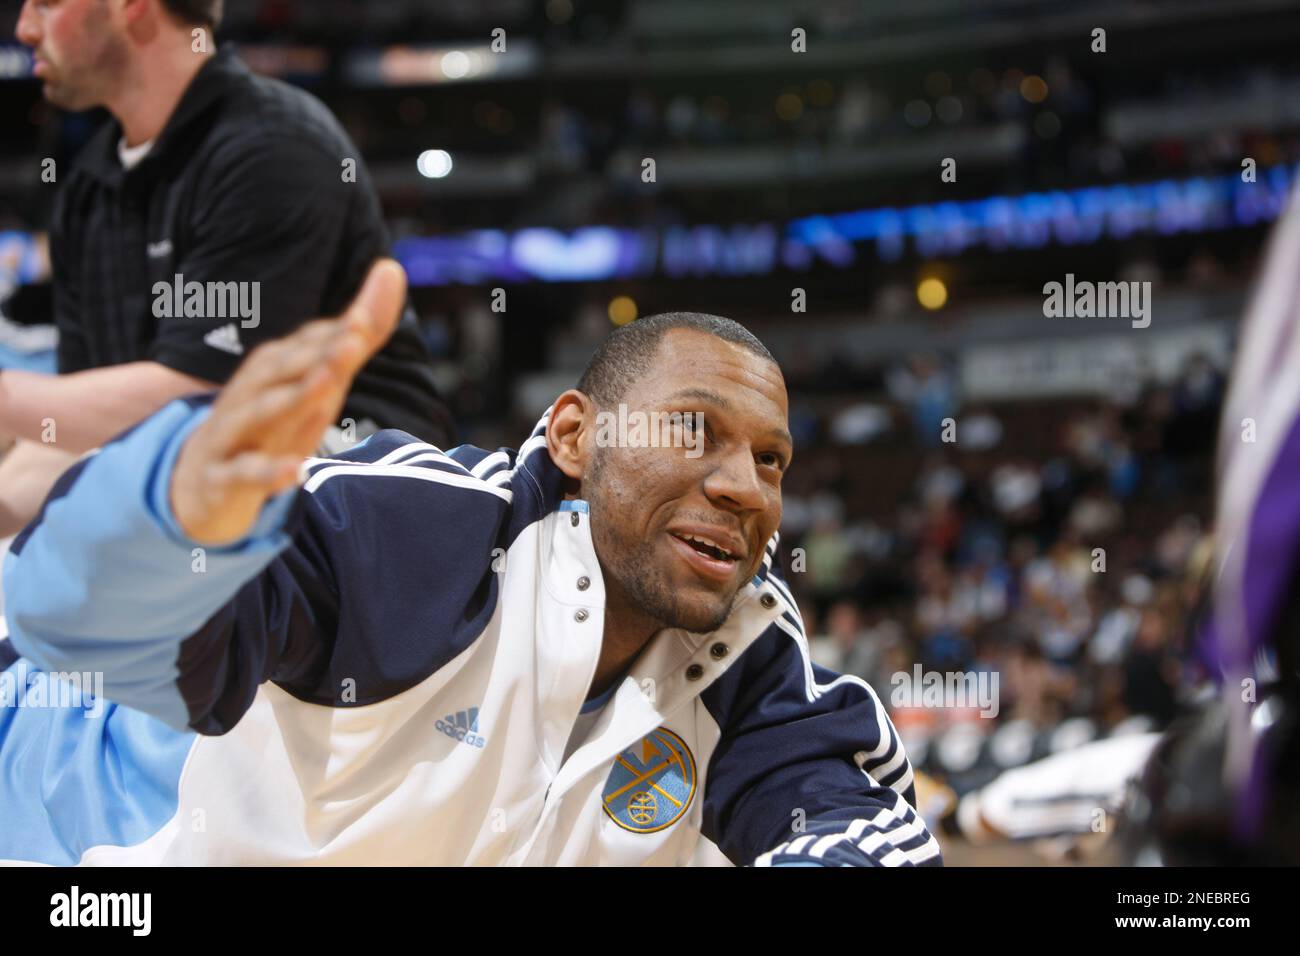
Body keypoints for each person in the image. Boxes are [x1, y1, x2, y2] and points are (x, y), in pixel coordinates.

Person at [0, 261, 940, 866]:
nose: (744, 486)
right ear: (575, 435)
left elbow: (854, 824)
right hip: (70, 794)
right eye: (693, 430)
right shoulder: (417, 529)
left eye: (770, 459)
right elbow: (167, 646)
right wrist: (171, 519)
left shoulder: (745, 653)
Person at [0, 0, 453, 539]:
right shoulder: (88, 189)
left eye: (47, 4)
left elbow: (204, 407)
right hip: (203, 500)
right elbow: (85, 432)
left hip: (366, 487)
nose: (25, 27)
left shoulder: (270, 147)